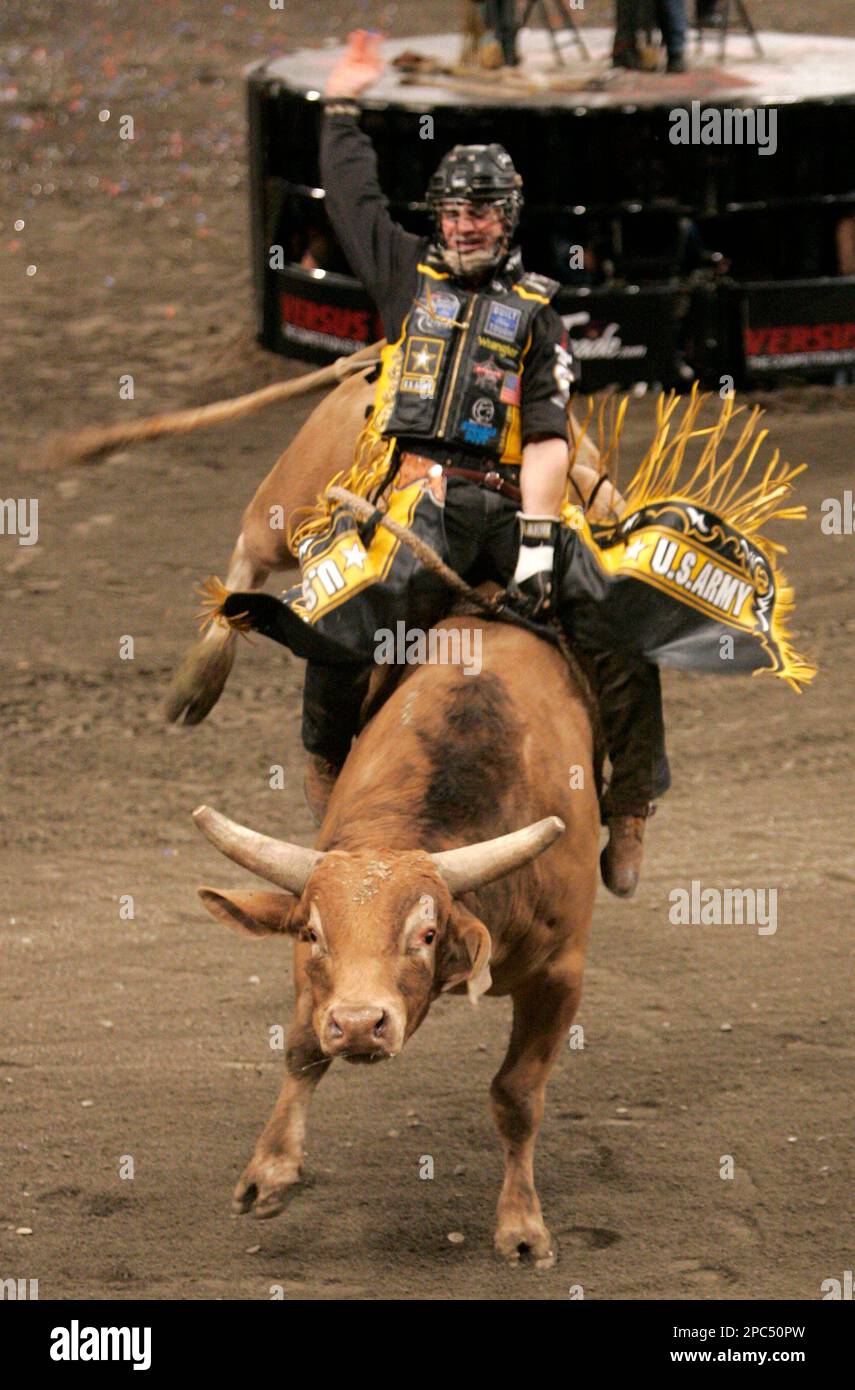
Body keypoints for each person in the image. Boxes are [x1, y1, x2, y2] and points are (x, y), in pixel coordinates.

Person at [303, 29, 669, 895]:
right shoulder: (404, 276)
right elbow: (352, 198)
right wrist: (342, 105)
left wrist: (540, 548)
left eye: (483, 214)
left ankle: (629, 809)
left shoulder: (536, 314)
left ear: (508, 220)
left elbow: (547, 435)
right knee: (332, 610)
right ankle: (322, 770)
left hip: (512, 506)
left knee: (625, 627)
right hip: (420, 502)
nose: (467, 226)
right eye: (455, 213)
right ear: (438, 218)